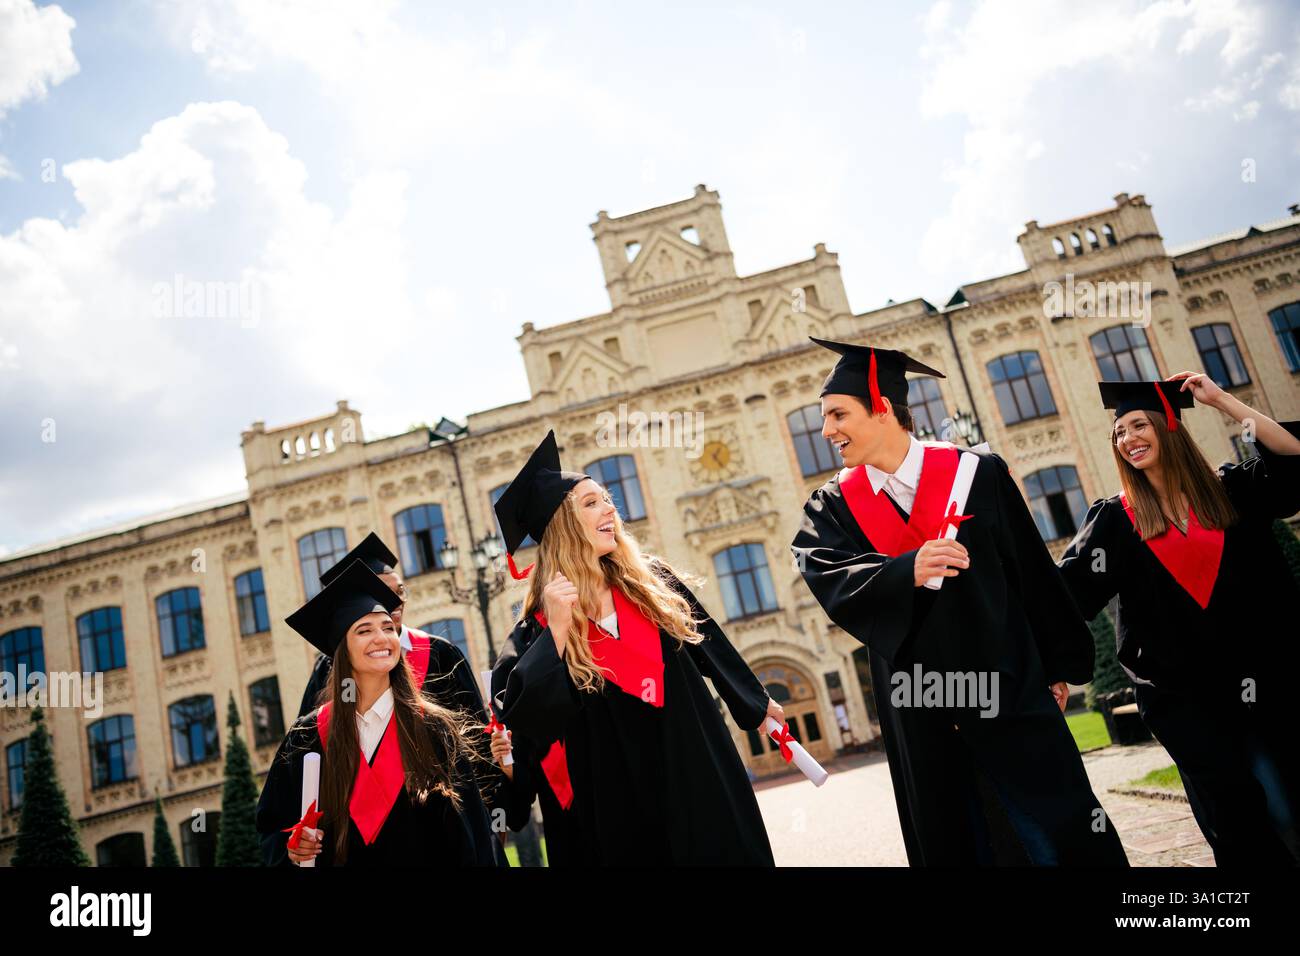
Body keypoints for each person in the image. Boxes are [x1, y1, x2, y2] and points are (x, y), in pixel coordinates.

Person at [790, 336, 1128, 866]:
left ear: (881, 408)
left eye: (837, 414)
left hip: (1007, 682)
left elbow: (1030, 575)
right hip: (919, 704)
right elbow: (823, 571)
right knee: (959, 840)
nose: (826, 430)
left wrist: (1056, 664)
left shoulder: (978, 474)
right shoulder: (833, 505)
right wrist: (905, 569)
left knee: (1059, 830)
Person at [489, 430, 781, 865]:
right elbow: (527, 717)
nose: (610, 508)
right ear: (561, 526)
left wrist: (755, 702)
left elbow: (708, 641)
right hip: (614, 804)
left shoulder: (649, 582)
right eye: (590, 503)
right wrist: (559, 632)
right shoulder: (537, 628)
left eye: (607, 499)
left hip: (694, 767)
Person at [1058, 375, 1300, 865]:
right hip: (1183, 698)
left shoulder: (1233, 490)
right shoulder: (1116, 520)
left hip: (1266, 680)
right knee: (1233, 812)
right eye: (1119, 432)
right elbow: (1066, 597)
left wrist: (1222, 402)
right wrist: (1053, 665)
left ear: (1169, 427)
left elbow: (1293, 458)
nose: (1127, 438)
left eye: (1138, 424)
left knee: (1290, 803)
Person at [255, 558, 501, 866]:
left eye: (388, 627)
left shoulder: (434, 729)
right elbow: (273, 827)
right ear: (341, 649)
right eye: (364, 630)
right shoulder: (308, 738)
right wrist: (293, 848)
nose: (382, 638)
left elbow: (474, 837)